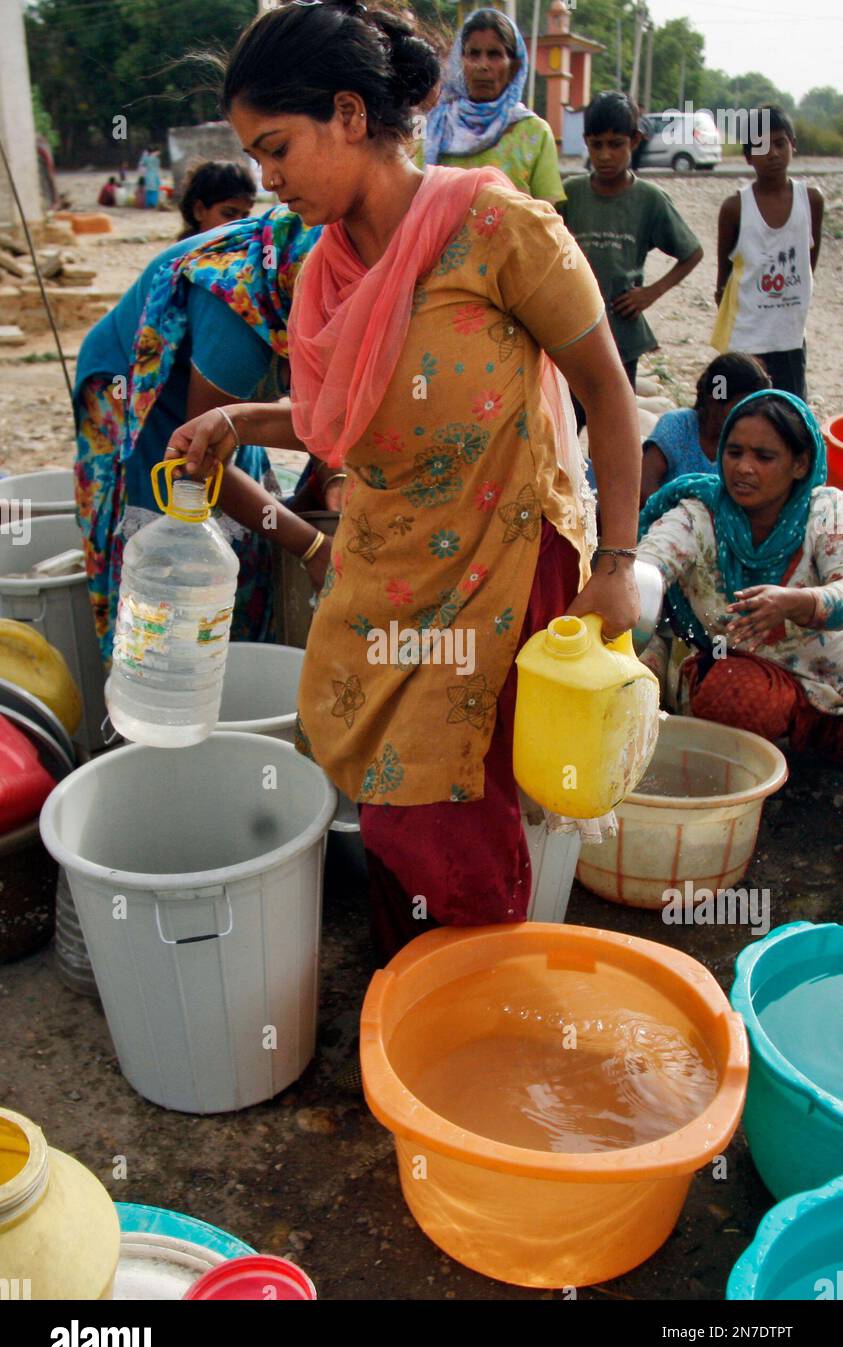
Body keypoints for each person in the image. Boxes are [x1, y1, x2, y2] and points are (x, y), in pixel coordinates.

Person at [166, 0, 643, 962]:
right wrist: (234, 419)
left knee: (443, 810)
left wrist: (622, 558)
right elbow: (345, 413)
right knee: (390, 806)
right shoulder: (332, 267)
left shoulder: (497, 227)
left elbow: (608, 391)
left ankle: (482, 1015)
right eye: (255, 157)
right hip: (386, 564)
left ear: (350, 114)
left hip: (502, 554)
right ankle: (416, 993)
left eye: (278, 147)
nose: (267, 179)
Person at [74, 205, 326, 663]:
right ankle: (156, 681)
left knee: (245, 537)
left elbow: (339, 414)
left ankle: (237, 658)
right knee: (168, 550)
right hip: (135, 393)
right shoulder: (241, 310)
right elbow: (203, 463)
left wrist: (340, 482)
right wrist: (313, 549)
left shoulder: (309, 275)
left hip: (214, 393)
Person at [638, 390, 843, 758]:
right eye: (734, 453)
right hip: (744, 670)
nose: (744, 468)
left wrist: (797, 602)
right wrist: (634, 584)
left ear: (800, 464)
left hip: (832, 675)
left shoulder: (825, 510)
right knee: (733, 694)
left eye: (764, 457)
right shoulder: (698, 514)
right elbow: (650, 561)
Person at [562, 91, 703, 425]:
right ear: (586, 143)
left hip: (621, 333)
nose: (605, 155)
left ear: (635, 141)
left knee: (612, 422)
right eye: (596, 145)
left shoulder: (649, 199)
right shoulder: (570, 194)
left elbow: (691, 252)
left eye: (616, 144)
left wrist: (650, 293)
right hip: (572, 330)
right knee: (567, 422)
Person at [712, 108, 823, 402]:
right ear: (748, 156)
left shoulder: (811, 201)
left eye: (780, 143)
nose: (772, 153)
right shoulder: (735, 208)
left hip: (789, 336)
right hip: (746, 337)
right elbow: (722, 280)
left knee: (791, 411)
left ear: (793, 144)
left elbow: (808, 262)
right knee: (741, 408)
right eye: (761, 146)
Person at [418, 8, 566, 211]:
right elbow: (412, 196)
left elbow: (548, 216)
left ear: (514, 66)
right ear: (460, 61)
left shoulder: (535, 132)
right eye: (474, 54)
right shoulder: (435, 126)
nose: (482, 65)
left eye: (494, 54)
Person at [640, 352, 771, 504]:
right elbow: (644, 485)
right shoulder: (679, 425)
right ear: (715, 400)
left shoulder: (749, 439)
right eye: (743, 405)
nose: (751, 414)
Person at [178, 160, 257, 238]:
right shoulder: (182, 250)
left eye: (245, 217)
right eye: (229, 214)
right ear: (199, 210)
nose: (239, 226)